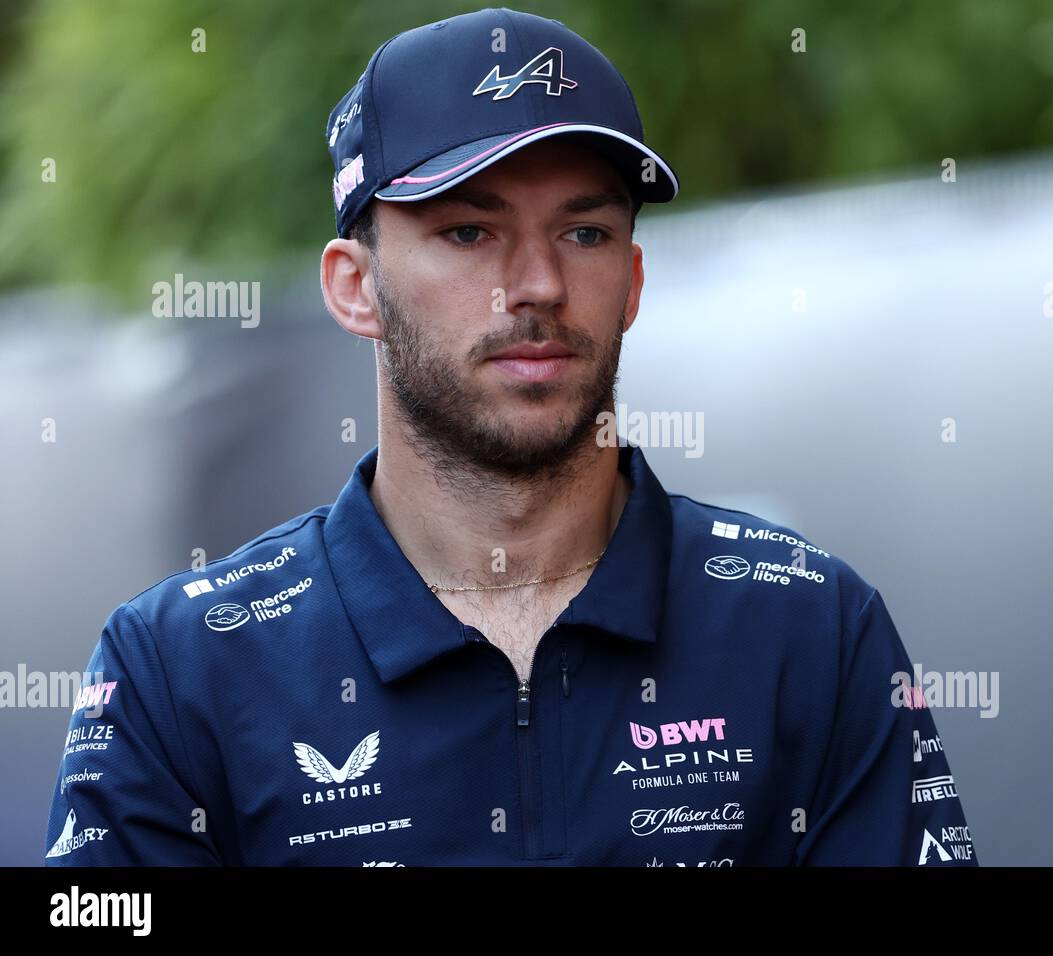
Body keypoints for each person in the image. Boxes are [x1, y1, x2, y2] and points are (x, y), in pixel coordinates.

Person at [44, 7, 977, 866]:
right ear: (354, 286)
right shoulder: (180, 667)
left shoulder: (809, 627)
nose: (534, 284)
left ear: (636, 282)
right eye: (467, 232)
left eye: (583, 233)